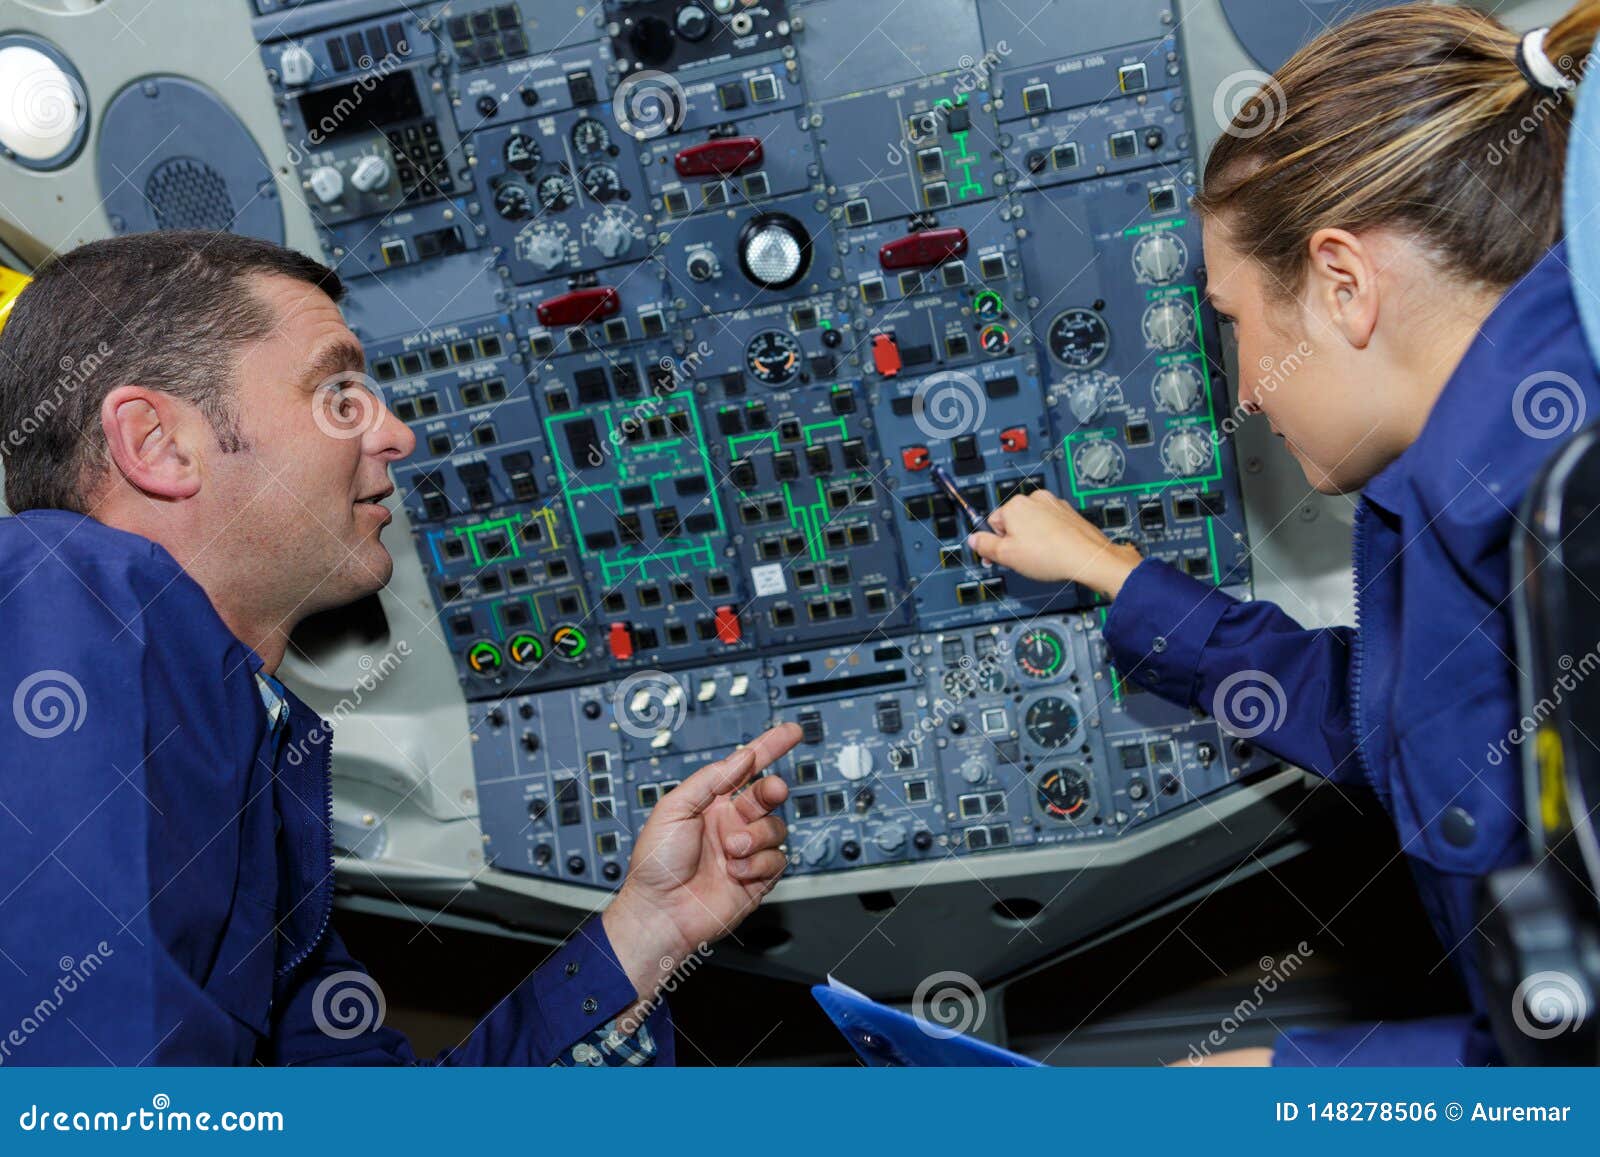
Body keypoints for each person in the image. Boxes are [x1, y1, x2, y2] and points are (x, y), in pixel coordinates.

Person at [969, 2, 1600, 1065]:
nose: (1249, 392)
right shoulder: (1483, 488)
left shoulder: (1554, 520)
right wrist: (1117, 577)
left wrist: (1299, 1081)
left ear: (1344, 285)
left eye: (1235, 321)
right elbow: (1407, 722)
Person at [0, 230, 800, 1065]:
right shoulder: (59, 589)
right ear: (160, 444)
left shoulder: (253, 772)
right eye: (338, 392)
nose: (396, 434)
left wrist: (651, 929)